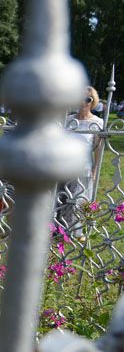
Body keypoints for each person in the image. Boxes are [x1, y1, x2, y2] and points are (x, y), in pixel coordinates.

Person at [55, 86, 104, 239]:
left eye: (88, 99)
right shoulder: (68, 120)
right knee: (62, 197)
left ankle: (77, 231)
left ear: (93, 102)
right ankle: (59, 229)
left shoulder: (97, 122)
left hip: (83, 166)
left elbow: (98, 150)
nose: (83, 102)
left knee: (78, 199)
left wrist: (95, 170)